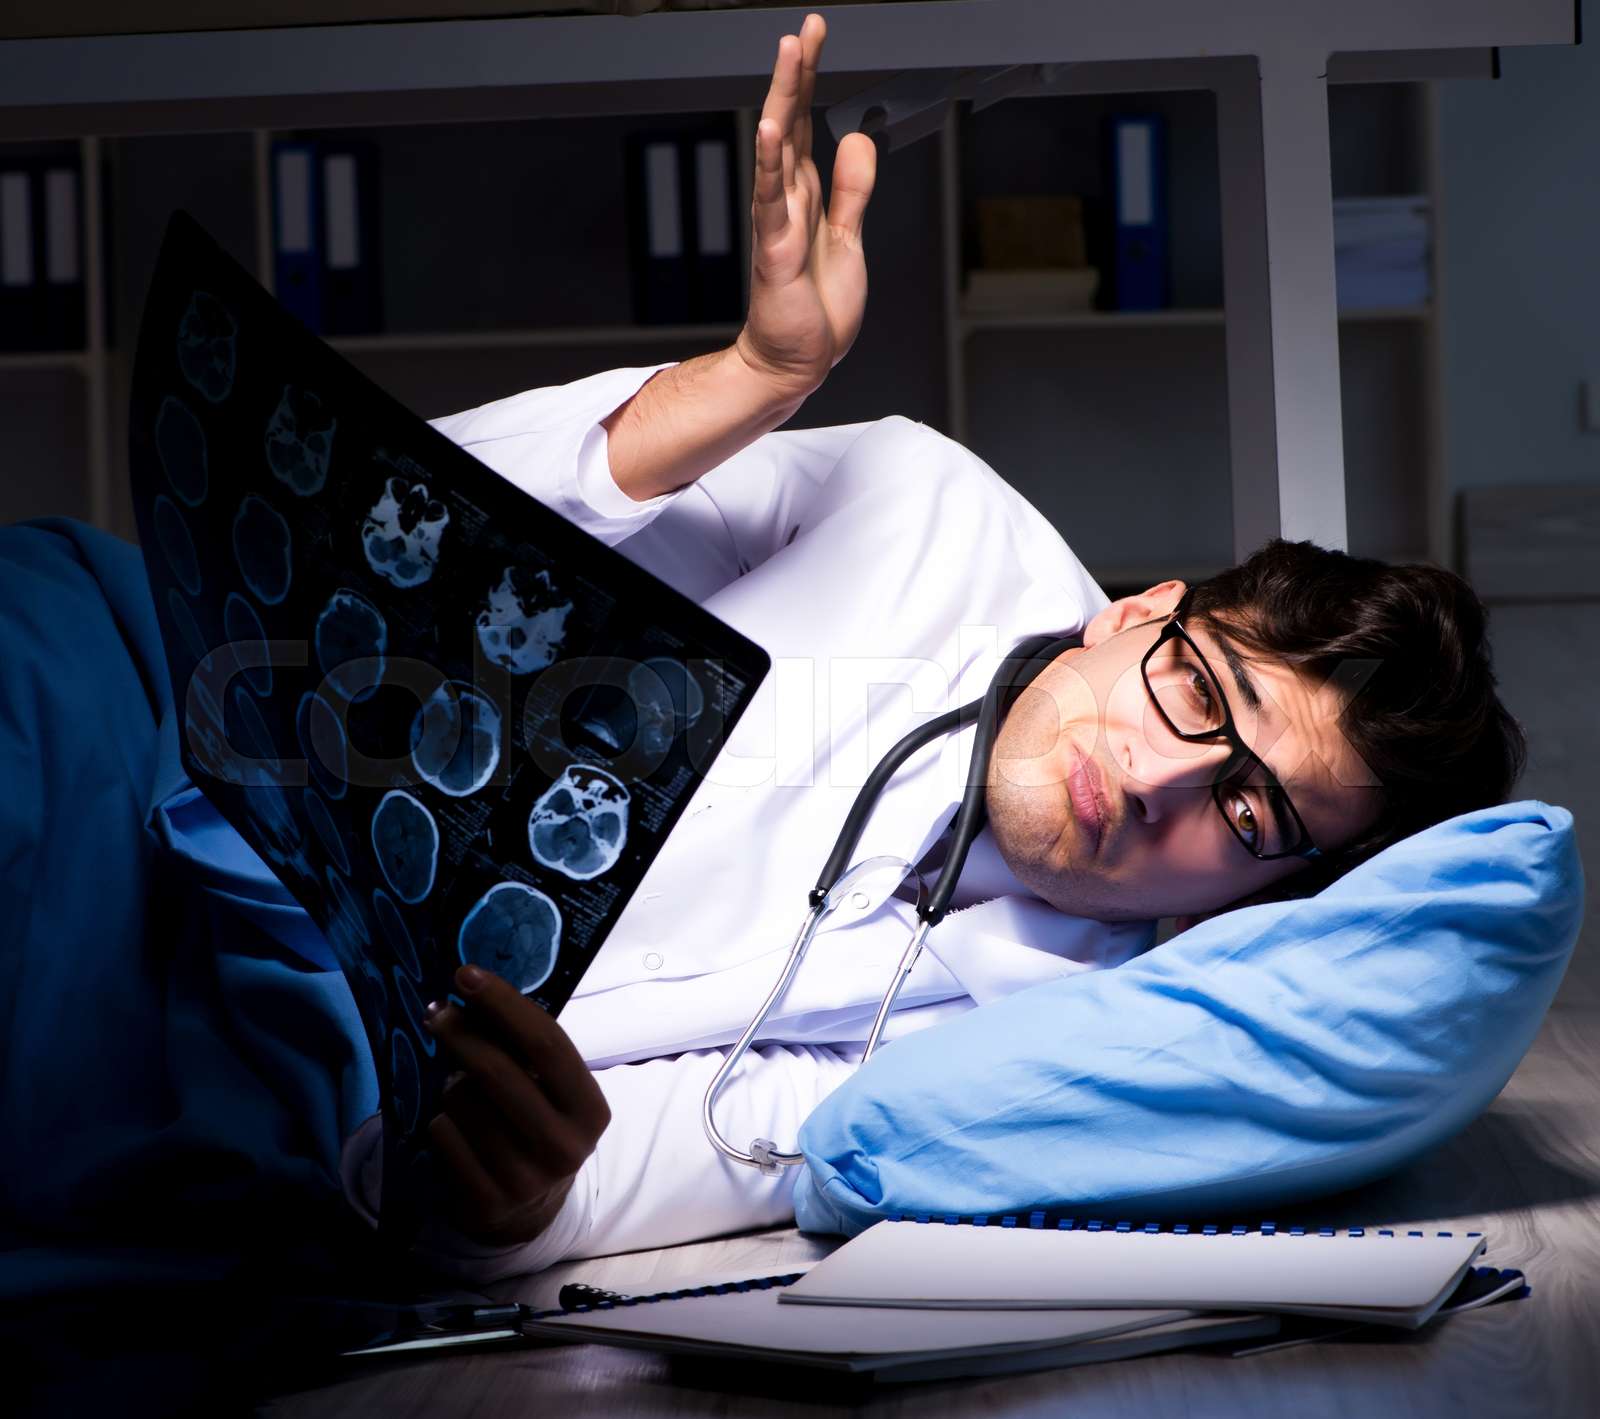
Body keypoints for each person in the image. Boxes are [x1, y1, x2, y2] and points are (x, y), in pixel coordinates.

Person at [337, 13, 1525, 1280]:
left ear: (1261, 890)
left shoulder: (1041, 1039)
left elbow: (706, 1151)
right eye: (1198, 690)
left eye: (1246, 813)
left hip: (288, 1089)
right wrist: (750, 375)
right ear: (1136, 612)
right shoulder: (923, 508)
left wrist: (525, 1203)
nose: (1158, 779)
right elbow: (384, 529)